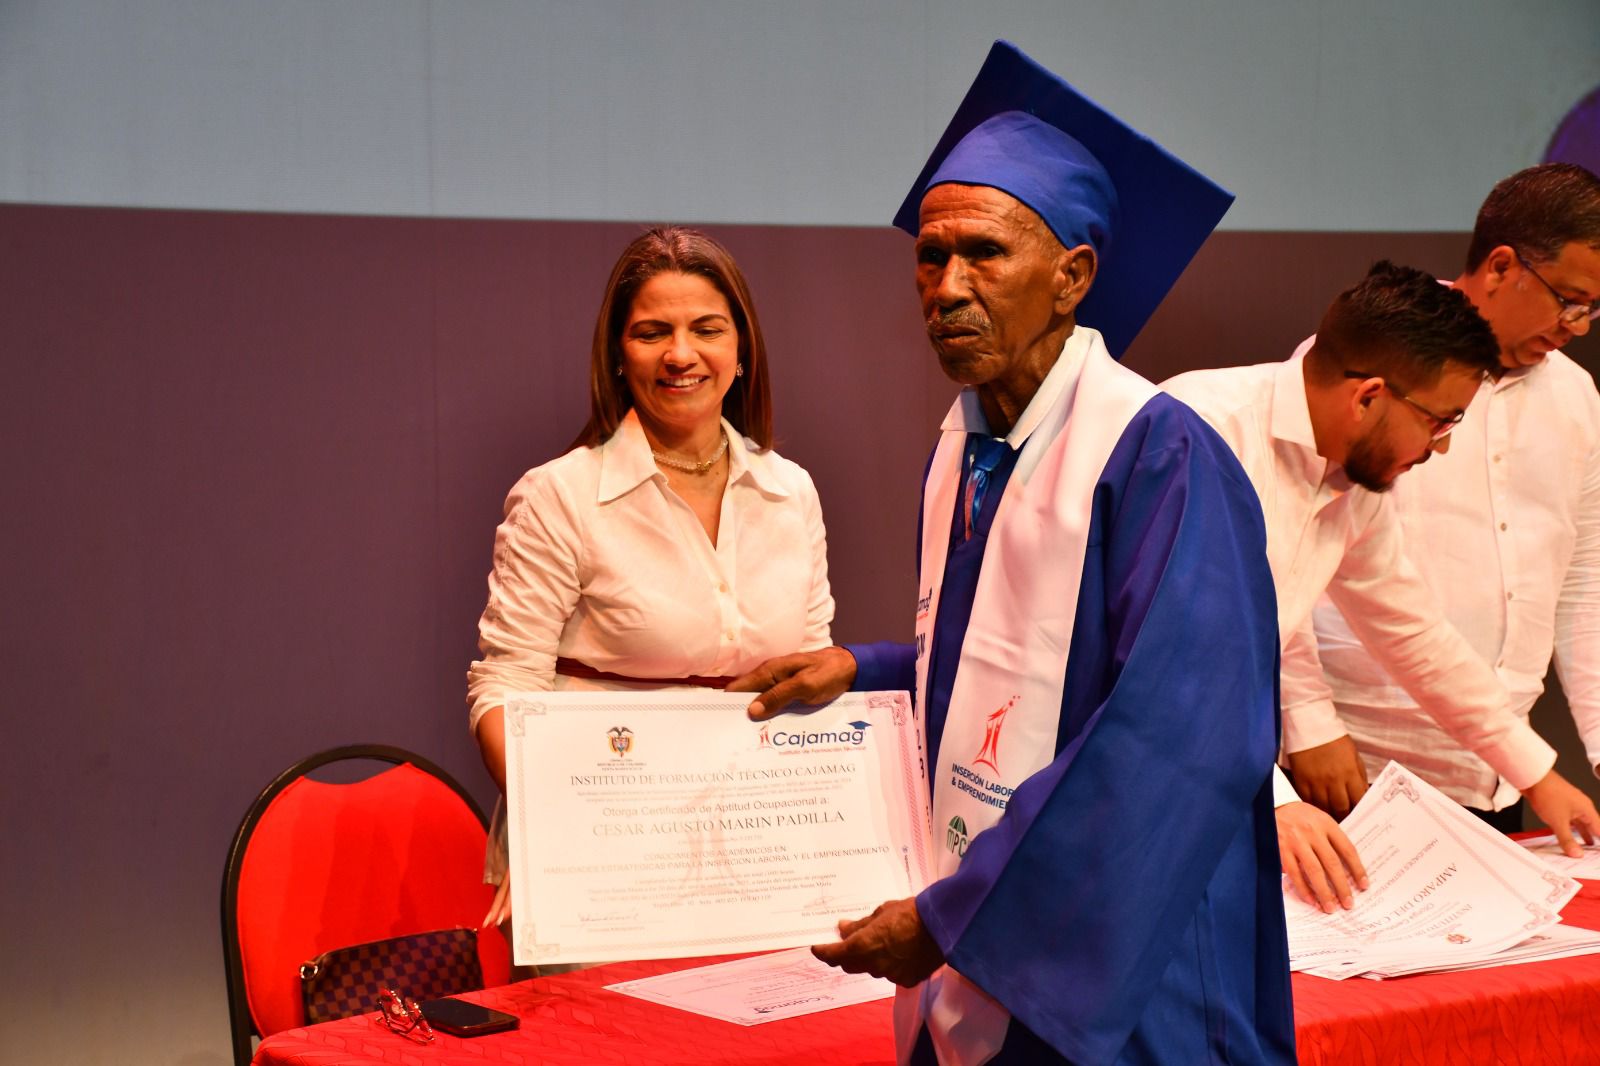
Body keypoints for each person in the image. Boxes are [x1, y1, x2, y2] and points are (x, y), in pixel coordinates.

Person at [731, 41, 1294, 1065]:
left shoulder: (1160, 453)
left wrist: (957, 915)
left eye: (983, 254)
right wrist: (863, 667)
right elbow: (1007, 661)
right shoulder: (968, 448)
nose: (945, 288)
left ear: (1072, 276)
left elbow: (1174, 737)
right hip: (987, 926)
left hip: (1120, 967)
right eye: (928, 257)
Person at [1163, 260, 1600, 914]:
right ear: (1368, 397)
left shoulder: (1353, 481)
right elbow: (1169, 657)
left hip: (1210, 776)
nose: (1440, 448)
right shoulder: (1197, 431)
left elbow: (1414, 635)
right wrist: (1272, 798)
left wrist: (1537, 776)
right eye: (1441, 422)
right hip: (1127, 782)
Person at [466, 225, 835, 932]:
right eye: (652, 332)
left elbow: (807, 669)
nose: (680, 354)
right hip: (601, 853)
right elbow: (504, 688)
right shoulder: (559, 496)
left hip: (761, 850)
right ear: (617, 354)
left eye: (707, 329)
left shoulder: (792, 491)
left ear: (742, 351)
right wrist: (558, 816)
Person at [1313, 164, 1600, 834]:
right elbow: (1287, 566)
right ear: (1501, 266)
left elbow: (1583, 582)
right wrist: (1309, 725)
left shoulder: (1576, 397)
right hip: (1357, 768)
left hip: (1500, 774)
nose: (1578, 327)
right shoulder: (1371, 360)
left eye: (1592, 309)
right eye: (1569, 300)